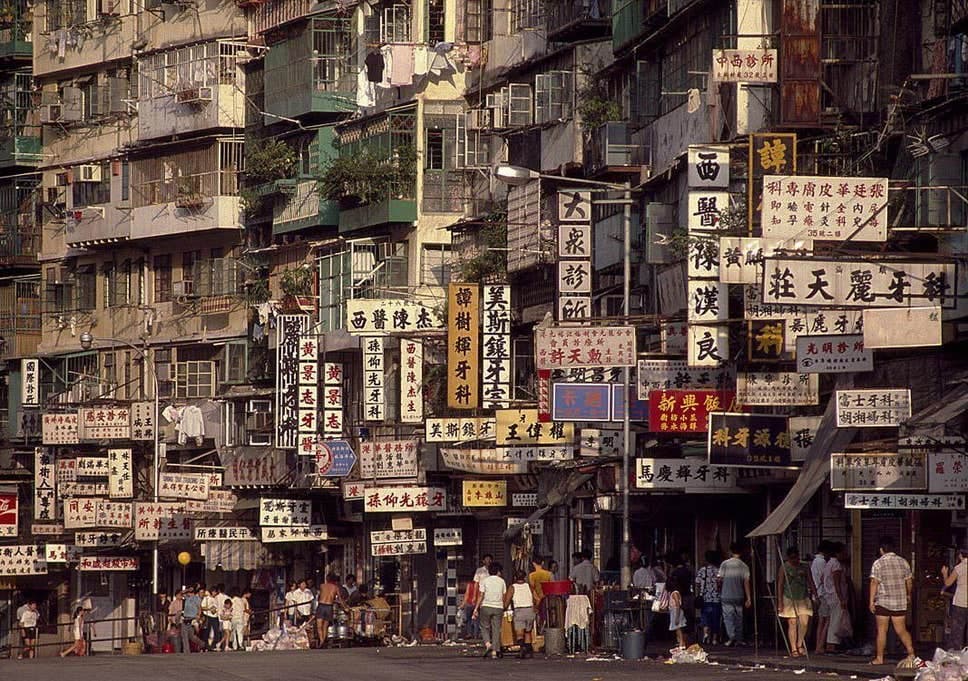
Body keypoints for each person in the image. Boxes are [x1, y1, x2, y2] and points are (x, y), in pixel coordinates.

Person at [869, 536, 916, 665]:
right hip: (900, 602)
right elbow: (909, 582)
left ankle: (879, 658)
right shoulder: (903, 562)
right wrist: (908, 595)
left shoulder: (878, 563)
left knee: (881, 630)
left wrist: (871, 601)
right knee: (901, 630)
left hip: (883, 602)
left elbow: (874, 582)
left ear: (881, 549)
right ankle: (911, 653)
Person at [777, 546, 816, 658]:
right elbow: (780, 584)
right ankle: (793, 648)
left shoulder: (804, 566)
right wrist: (780, 602)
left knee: (804, 622)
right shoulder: (784, 567)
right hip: (789, 597)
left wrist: (815, 594)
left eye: (796, 557)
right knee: (792, 623)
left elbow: (810, 581)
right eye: (792, 558)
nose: (795, 560)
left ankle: (799, 644)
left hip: (803, 597)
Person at [719, 542, 752, 646]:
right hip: (739, 595)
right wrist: (749, 598)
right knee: (739, 618)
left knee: (728, 618)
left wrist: (719, 589)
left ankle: (731, 637)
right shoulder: (744, 566)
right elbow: (746, 582)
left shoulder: (725, 564)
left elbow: (719, 579)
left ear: (730, 551)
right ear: (741, 552)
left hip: (726, 594)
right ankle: (739, 638)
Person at [473, 561, 506, 659]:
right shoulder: (502, 581)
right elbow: (504, 595)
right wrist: (503, 606)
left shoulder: (485, 581)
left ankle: (488, 644)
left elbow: (481, 595)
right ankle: (494, 651)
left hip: (486, 606)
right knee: (496, 629)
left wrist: (476, 608)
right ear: (498, 571)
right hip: (498, 607)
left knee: (484, 627)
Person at [823, 542, 849, 653]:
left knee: (833, 619)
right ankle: (831, 645)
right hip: (836, 596)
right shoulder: (836, 565)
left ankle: (830, 644)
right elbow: (837, 583)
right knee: (836, 620)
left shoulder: (829, 563)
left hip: (829, 595)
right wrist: (842, 598)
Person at [505, 570, 535, 658]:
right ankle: (529, 651)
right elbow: (537, 598)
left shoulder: (512, 587)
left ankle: (522, 649)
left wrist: (504, 608)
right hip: (530, 610)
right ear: (525, 577)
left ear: (515, 578)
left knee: (520, 634)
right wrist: (536, 607)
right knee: (528, 632)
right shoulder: (529, 586)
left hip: (519, 610)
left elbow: (507, 601)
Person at [942, 548, 968, 649]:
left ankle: (958, 651)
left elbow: (948, 583)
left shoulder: (959, 567)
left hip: (960, 602)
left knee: (958, 629)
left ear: (960, 555)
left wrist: (945, 574)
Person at [696, 550, 723, 645]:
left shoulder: (702, 570)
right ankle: (714, 639)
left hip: (705, 598)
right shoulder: (719, 571)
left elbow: (697, 583)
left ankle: (706, 634)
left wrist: (700, 592)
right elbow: (721, 584)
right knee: (716, 618)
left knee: (705, 617)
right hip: (716, 598)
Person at [316, 573, 347, 648]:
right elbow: (340, 599)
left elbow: (319, 596)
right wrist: (345, 607)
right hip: (329, 606)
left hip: (321, 605)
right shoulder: (335, 587)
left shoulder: (322, 585)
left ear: (327, 579)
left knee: (319, 625)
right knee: (325, 626)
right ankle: (323, 641)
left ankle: (321, 640)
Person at [811, 541, 831, 655]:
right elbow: (824, 577)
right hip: (823, 593)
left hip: (817, 593)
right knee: (826, 619)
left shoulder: (815, 561)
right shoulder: (822, 562)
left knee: (821, 620)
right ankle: (820, 645)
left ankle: (818, 645)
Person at [666, 563, 690, 649]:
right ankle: (680, 642)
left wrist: (676, 616)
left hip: (676, 611)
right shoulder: (674, 592)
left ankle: (682, 643)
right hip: (675, 611)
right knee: (677, 628)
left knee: (678, 628)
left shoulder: (675, 593)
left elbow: (678, 605)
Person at [180, 586, 202, 654]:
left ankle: (202, 644)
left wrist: (198, 616)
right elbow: (181, 593)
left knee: (192, 636)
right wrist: (187, 590)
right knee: (184, 635)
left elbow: (199, 608)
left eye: (190, 592)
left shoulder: (197, 598)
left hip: (193, 618)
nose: (188, 593)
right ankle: (186, 651)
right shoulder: (187, 597)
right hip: (186, 617)